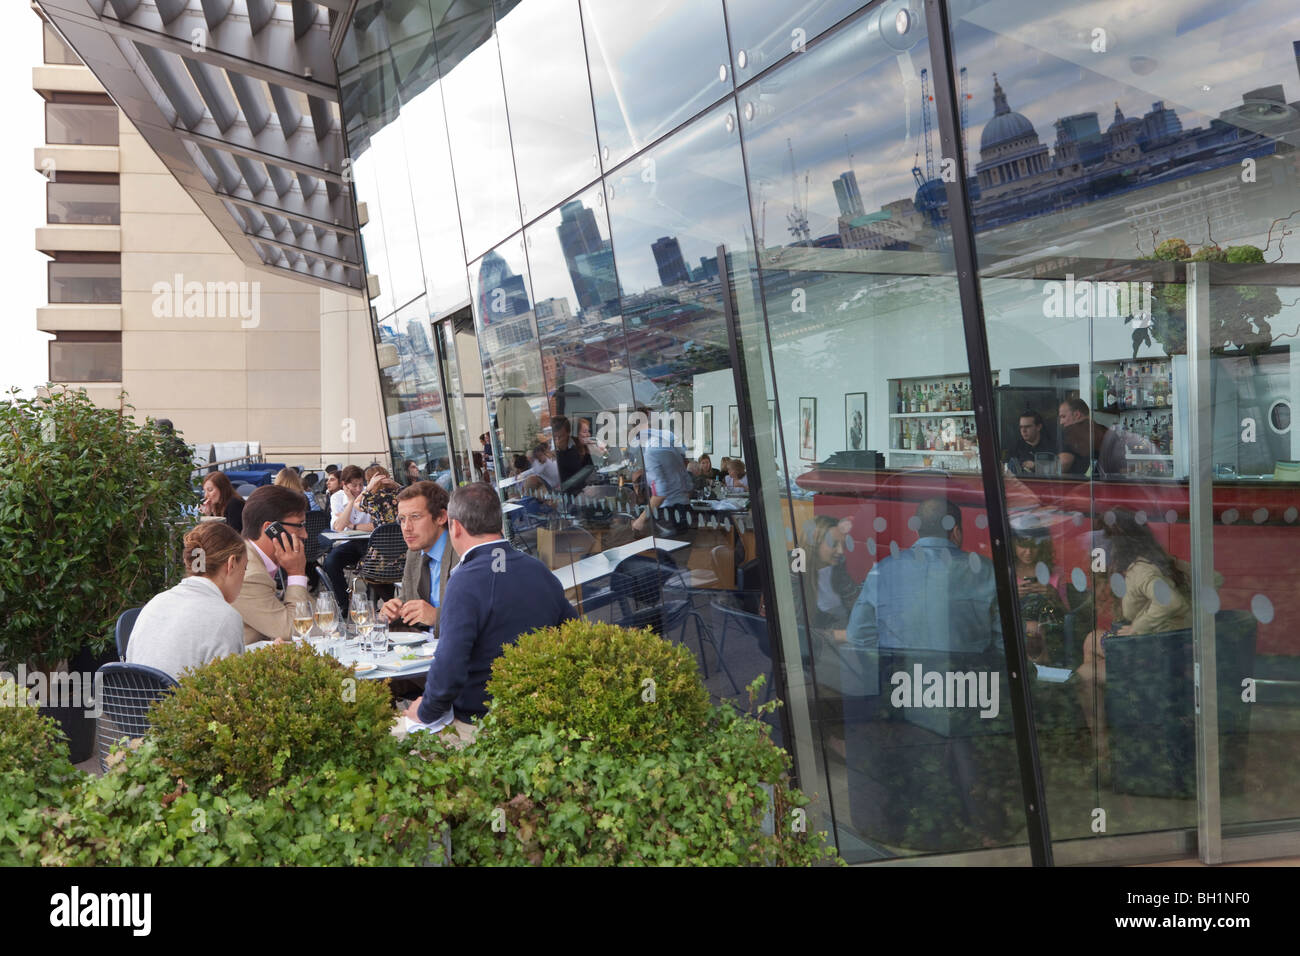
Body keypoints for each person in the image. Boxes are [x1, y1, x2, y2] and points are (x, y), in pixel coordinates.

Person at [403, 483, 576, 734]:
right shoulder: (538, 569)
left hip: (482, 722)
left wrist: (425, 711)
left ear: (455, 526)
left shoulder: (464, 580)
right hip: (541, 713)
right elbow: (573, 631)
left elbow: (449, 667)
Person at [1077, 509, 1193, 739]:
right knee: (1092, 639)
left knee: (1084, 674)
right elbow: (1215, 579)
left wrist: (1140, 625)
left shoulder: (1139, 570)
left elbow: (1171, 603)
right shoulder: (1157, 561)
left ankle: (1102, 741)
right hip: (1169, 646)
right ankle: (1117, 714)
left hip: (1156, 654)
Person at [846, 498, 1001, 652]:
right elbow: (1003, 638)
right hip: (967, 674)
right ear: (956, 531)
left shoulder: (883, 569)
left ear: (917, 530)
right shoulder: (985, 569)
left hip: (900, 674)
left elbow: (859, 635)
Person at [126, 521, 247, 680]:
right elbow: (227, 691)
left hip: (131, 703)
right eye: (244, 568)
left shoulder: (156, 602)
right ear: (231, 564)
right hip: (181, 704)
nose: (244, 578)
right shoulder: (226, 617)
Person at [232, 485, 313, 644]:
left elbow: (314, 622)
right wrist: (296, 573)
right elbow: (296, 630)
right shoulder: (248, 574)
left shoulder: (251, 557)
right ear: (271, 529)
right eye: (299, 525)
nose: (305, 534)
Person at [381, 481, 460, 633]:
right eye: (402, 519)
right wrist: (394, 611)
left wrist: (437, 617)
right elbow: (408, 599)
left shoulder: (460, 551)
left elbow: (480, 613)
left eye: (415, 517)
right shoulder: (415, 552)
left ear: (441, 517)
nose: (406, 528)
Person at [628, 409, 693, 536]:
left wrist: (640, 521)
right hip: (685, 507)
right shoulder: (670, 436)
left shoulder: (651, 453)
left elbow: (660, 495)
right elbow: (686, 465)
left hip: (668, 514)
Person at [1057, 398, 1110, 476]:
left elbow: (1064, 463)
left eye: (1063, 416)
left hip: (1078, 484)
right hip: (1106, 483)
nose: (1061, 422)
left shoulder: (1071, 432)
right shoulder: (1105, 430)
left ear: (1077, 415)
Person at [551, 416, 594, 489]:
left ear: (568, 433)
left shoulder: (579, 446)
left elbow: (589, 468)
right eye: (555, 438)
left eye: (561, 437)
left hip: (584, 489)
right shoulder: (553, 453)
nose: (558, 441)